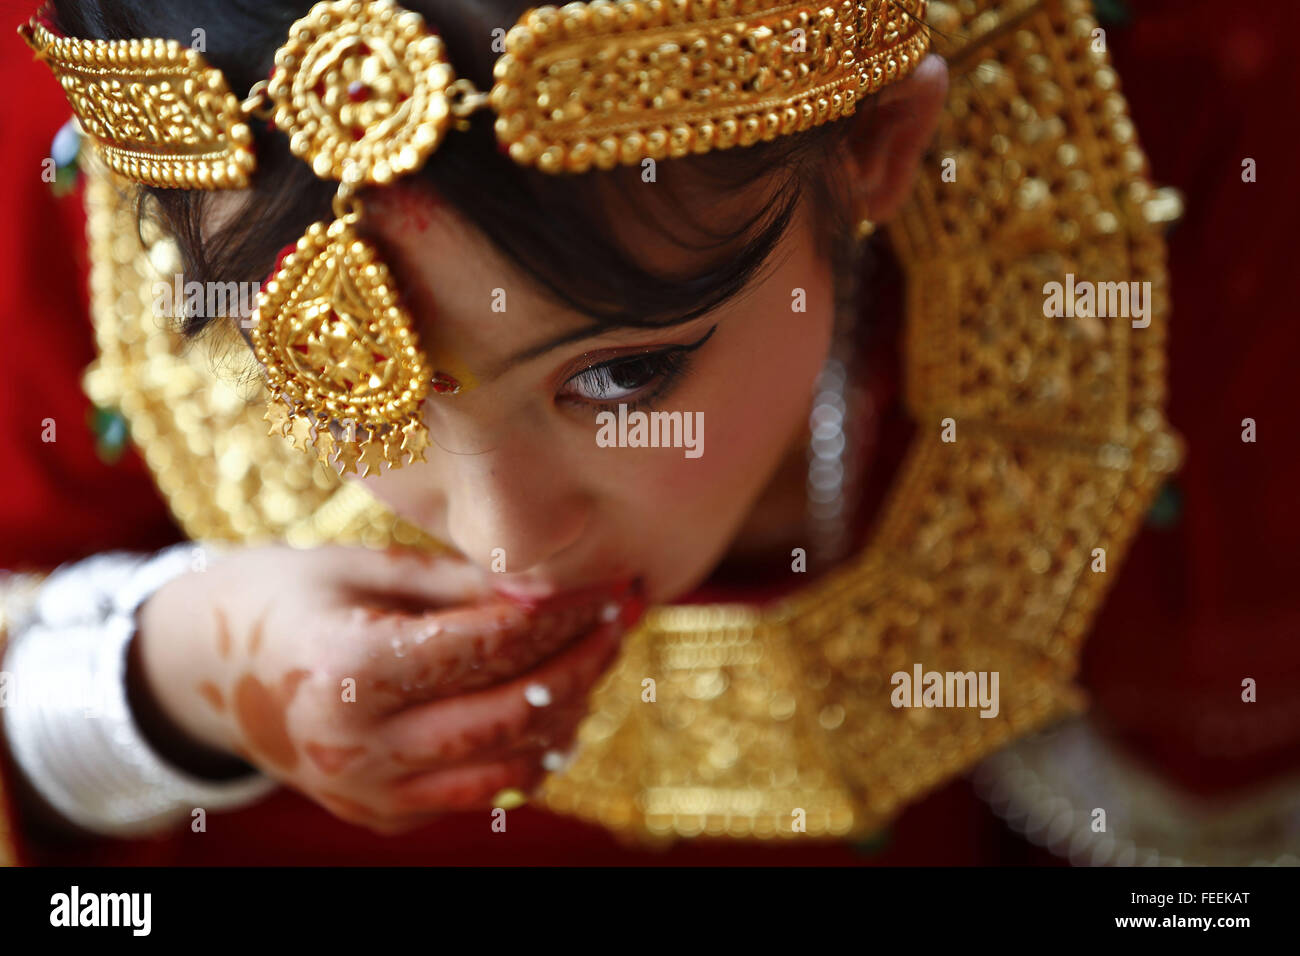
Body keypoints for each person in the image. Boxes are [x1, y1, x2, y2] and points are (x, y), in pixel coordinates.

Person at [0, 0, 1189, 865]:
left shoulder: (1199, 180)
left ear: (874, 145)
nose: (508, 543)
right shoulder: (92, 178)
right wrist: (163, 688)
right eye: (327, 367)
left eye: (621, 372)